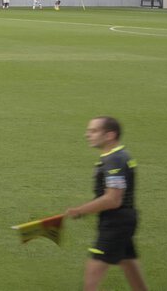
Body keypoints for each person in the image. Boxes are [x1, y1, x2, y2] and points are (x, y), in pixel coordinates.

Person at [61, 116, 146, 290]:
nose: (87, 134)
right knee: (128, 262)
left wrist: (80, 210)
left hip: (116, 223)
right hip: (122, 220)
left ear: (110, 135)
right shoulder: (116, 156)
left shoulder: (115, 160)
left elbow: (113, 199)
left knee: (93, 274)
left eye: (93, 131)